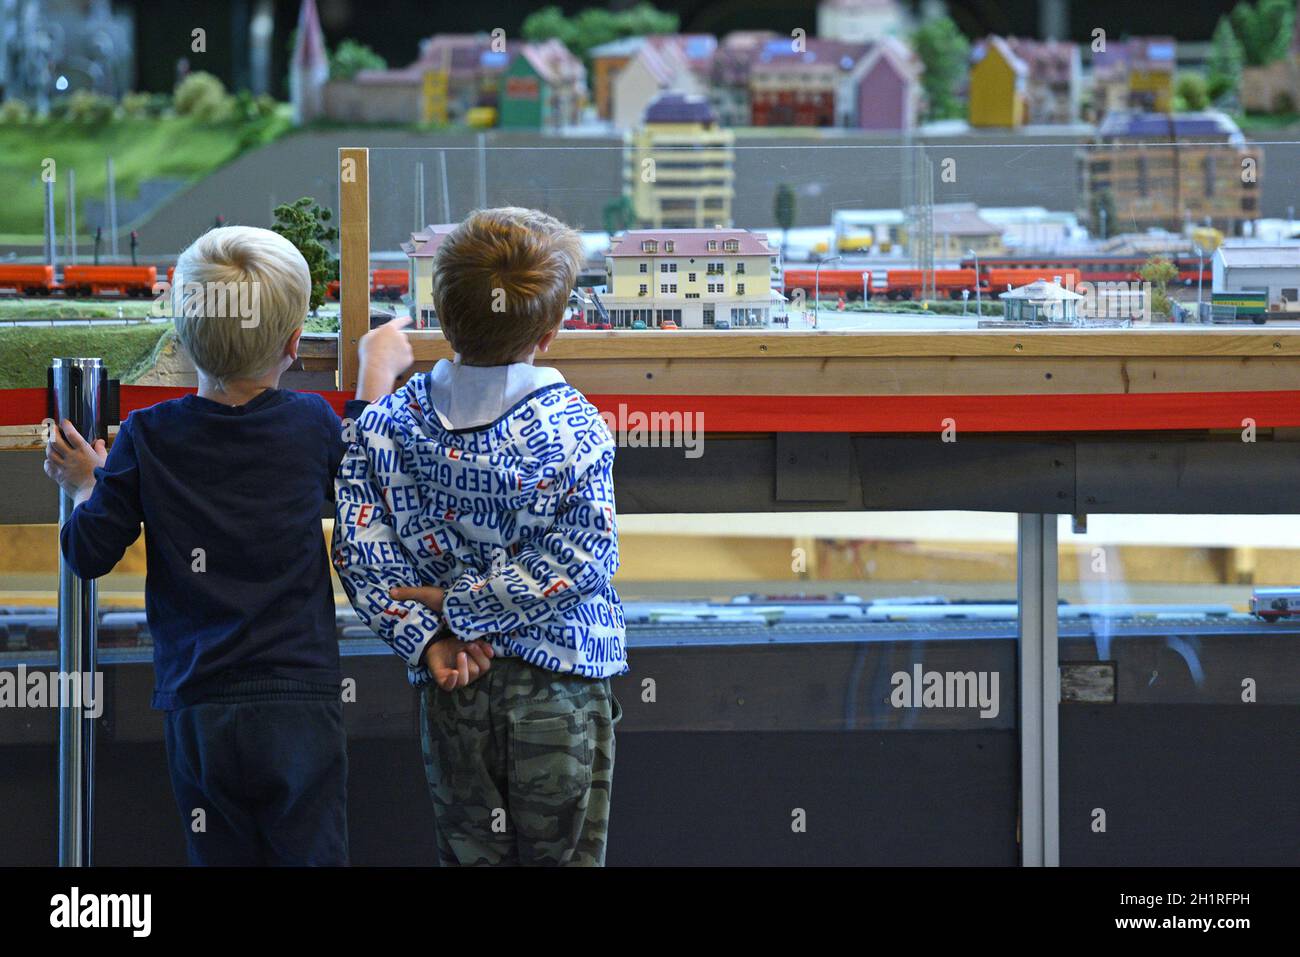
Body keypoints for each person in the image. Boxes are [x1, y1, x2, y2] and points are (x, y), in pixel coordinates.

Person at [43, 225, 423, 865]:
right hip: (300, 697)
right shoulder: (309, 423)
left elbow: (87, 552)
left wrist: (88, 483)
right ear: (295, 344)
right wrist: (376, 370)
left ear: (183, 337)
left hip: (200, 703)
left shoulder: (147, 435)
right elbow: (368, 469)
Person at [333, 207, 626, 866]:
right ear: (549, 333)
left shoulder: (387, 425)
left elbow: (360, 555)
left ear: (438, 307)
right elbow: (586, 555)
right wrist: (470, 606)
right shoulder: (575, 424)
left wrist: (431, 633)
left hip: (454, 685)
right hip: (563, 684)